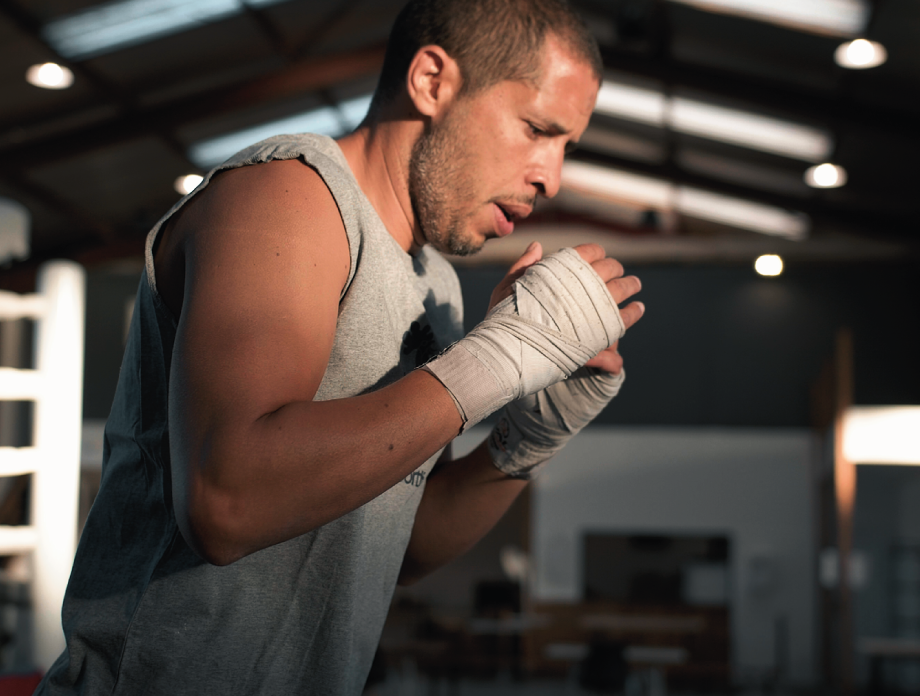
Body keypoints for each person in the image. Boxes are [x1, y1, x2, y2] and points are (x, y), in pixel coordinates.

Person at [35, 0, 644, 693]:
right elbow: (225, 504)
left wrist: (525, 439)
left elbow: (400, 542)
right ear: (432, 81)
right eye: (538, 129)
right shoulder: (288, 195)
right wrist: (498, 358)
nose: (552, 177)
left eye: (567, 146)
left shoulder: (434, 285)